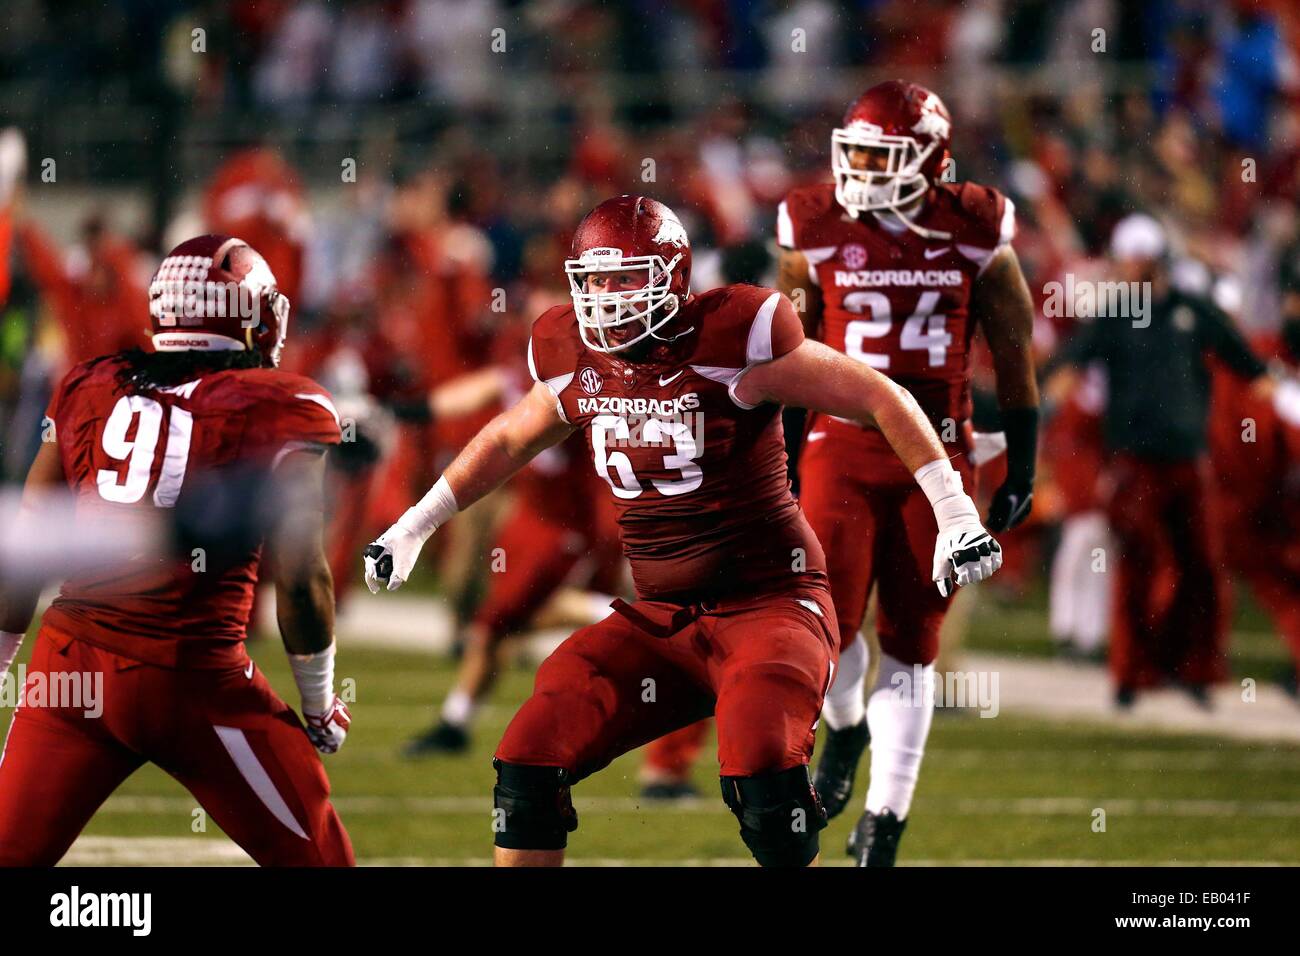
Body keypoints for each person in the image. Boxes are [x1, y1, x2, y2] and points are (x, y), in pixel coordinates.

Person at [364, 195, 1003, 867]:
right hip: (661, 621)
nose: (606, 300)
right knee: (526, 760)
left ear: (671, 276)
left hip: (771, 606)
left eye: (625, 279)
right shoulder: (572, 353)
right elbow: (506, 439)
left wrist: (953, 509)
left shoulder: (733, 336)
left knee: (763, 777)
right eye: (594, 280)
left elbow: (879, 396)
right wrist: (416, 525)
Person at [0, 235, 354, 866]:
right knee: (322, 861)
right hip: (192, 677)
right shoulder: (284, 403)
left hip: (70, 671)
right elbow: (301, 576)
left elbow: (26, 538)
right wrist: (320, 703)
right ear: (247, 317)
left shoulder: (91, 383)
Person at [776, 80, 1039, 865]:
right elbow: (792, 351)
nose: (859, 168)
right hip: (840, 445)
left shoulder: (975, 227)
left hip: (939, 456)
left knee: (915, 639)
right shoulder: (815, 223)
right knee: (827, 620)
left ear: (930, 159)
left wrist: (1021, 462)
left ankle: (885, 820)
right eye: (852, 151)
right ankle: (848, 727)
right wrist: (781, 462)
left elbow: (1017, 354)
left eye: (879, 155)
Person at [1050, 214, 1273, 707]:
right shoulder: (1114, 317)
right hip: (1134, 462)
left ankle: (1195, 670)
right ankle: (1132, 674)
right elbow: (1067, 367)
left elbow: (1250, 366)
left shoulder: (1192, 309)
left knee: (1201, 568)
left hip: (1188, 460)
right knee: (1137, 567)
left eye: (1134, 261)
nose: (1127, 270)